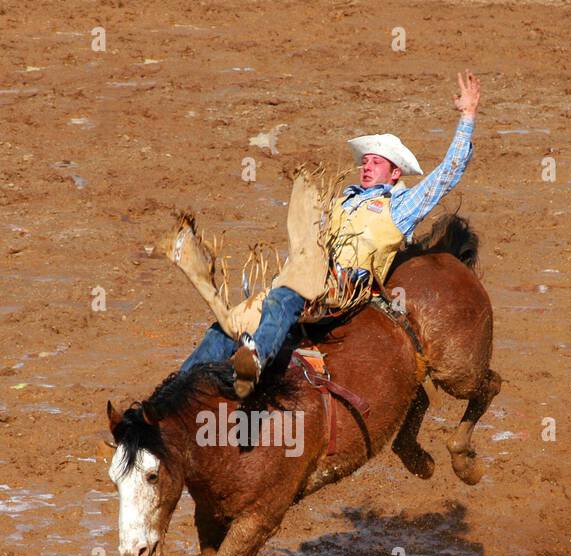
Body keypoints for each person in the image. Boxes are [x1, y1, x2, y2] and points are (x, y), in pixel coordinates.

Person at [177, 70, 482, 398]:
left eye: (376, 163)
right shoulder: (341, 200)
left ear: (395, 173)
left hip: (345, 287)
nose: (366, 167)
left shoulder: (400, 206)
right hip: (310, 280)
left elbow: (446, 176)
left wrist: (467, 116)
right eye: (365, 162)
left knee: (284, 297)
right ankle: (176, 390)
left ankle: (257, 361)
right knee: (227, 324)